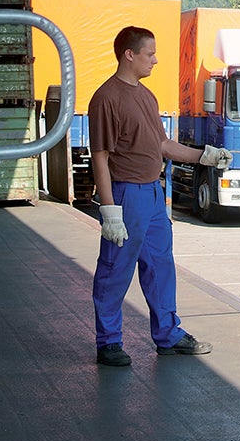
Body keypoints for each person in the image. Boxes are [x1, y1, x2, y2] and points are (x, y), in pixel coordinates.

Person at [89, 26, 232, 367]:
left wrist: (204, 156)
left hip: (153, 195)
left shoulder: (147, 96)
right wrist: (109, 210)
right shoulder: (107, 98)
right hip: (126, 195)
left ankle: (168, 336)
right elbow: (100, 157)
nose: (155, 59)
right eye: (150, 54)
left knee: (160, 266)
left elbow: (163, 146)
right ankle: (108, 342)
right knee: (115, 269)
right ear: (129, 55)